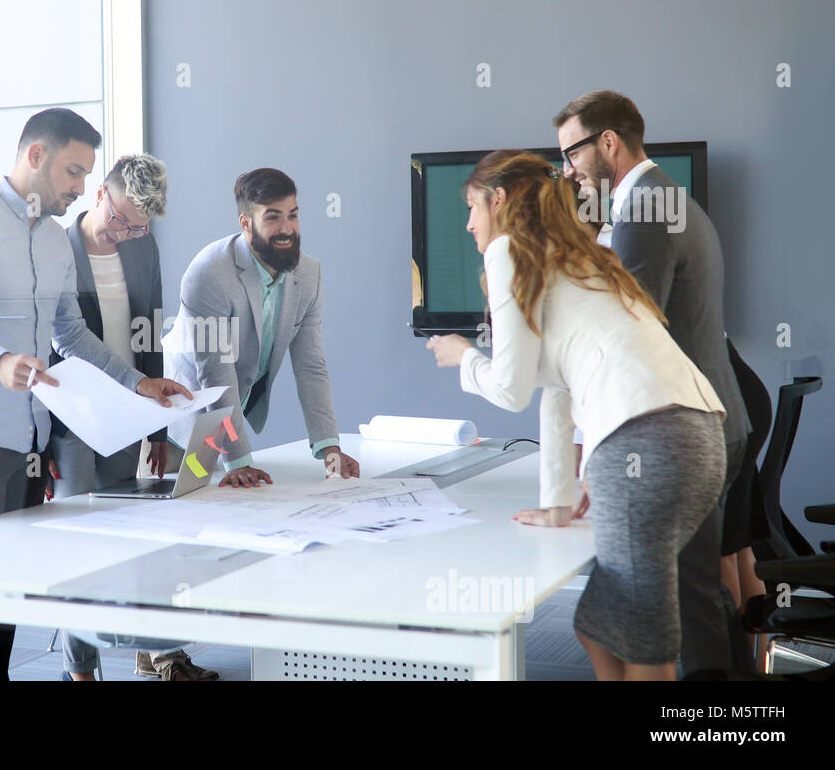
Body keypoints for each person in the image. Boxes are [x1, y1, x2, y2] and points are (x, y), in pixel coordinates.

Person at [426, 150, 726, 681]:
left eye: (472, 207)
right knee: (597, 623)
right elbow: (556, 392)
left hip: (643, 441)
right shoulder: (584, 259)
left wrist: (464, 358)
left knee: (644, 644)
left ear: (498, 201)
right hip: (699, 437)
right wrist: (557, 503)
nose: (469, 223)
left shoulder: (507, 253)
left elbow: (511, 389)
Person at [0, 108, 190, 681]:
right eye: (73, 172)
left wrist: (138, 382)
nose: (79, 189)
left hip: (28, 436)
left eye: (86, 175)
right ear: (35, 156)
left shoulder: (52, 240)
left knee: (6, 594)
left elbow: (70, 333)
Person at [553, 90, 754, 673]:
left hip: (687, 429)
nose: (569, 171)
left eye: (571, 154)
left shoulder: (642, 209)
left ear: (608, 142)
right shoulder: (664, 197)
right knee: (700, 593)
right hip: (717, 416)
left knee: (690, 601)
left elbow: (630, 339)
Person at [43, 152, 219, 681]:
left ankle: (152, 652)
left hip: (129, 411)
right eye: (120, 219)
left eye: (139, 226)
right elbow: (53, 341)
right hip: (73, 419)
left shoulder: (142, 249)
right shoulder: (56, 248)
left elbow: (151, 335)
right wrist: (41, 442)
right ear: (100, 193)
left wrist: (157, 427)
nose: (126, 232)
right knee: (81, 550)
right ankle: (82, 672)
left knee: (133, 538)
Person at [162, 168, 360, 487]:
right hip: (176, 428)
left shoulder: (308, 274)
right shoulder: (209, 273)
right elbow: (215, 373)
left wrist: (330, 448)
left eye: (292, 216)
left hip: (224, 425)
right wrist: (239, 461)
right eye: (272, 218)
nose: (287, 229)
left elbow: (311, 366)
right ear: (246, 223)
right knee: (173, 517)